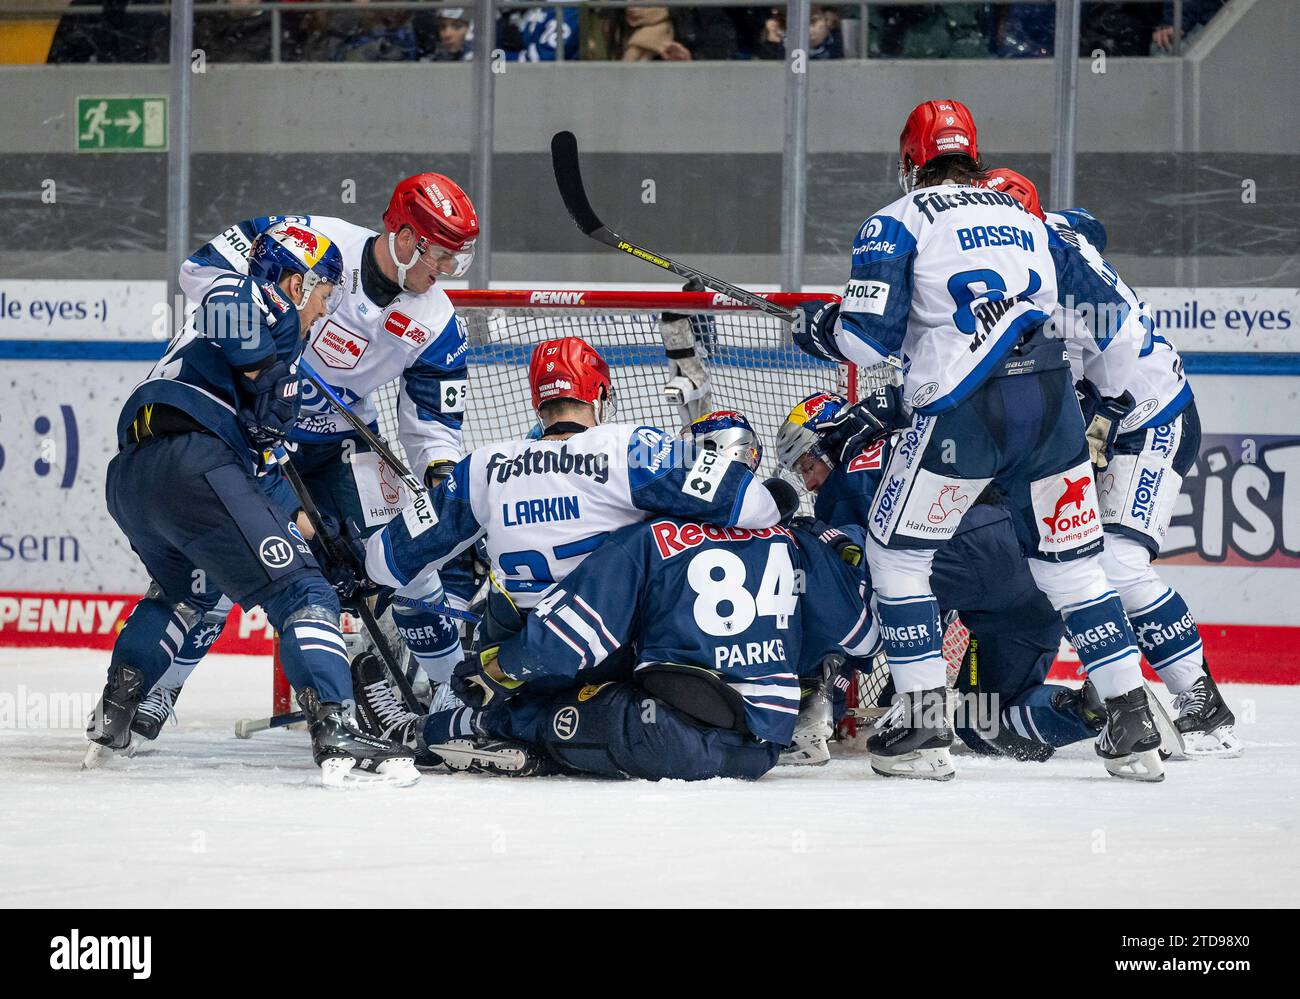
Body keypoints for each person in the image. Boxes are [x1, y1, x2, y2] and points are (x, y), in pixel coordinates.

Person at [793, 99, 1165, 782]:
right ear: (973, 152)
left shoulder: (897, 220)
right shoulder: (1030, 217)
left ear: (910, 161)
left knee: (898, 556)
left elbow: (860, 339)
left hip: (967, 410)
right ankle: (1132, 717)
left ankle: (923, 721)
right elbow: (1108, 312)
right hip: (1053, 405)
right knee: (1074, 569)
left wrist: (819, 328)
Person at [135, 175, 480, 735]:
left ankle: (454, 697)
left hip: (344, 442)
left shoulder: (437, 322)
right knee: (222, 560)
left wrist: (439, 471)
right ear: (401, 234)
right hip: (257, 430)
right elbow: (198, 272)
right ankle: (159, 688)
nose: (441, 269)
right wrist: (264, 353)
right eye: (435, 253)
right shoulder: (313, 239)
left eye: (452, 258)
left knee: (405, 557)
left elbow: (432, 426)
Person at [358, 412, 878, 780]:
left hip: (675, 735)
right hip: (769, 743)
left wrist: (493, 675)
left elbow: (568, 639)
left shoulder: (650, 540)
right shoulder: (798, 540)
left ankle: (434, 729)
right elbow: (861, 636)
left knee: (544, 711)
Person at [88, 223, 418, 787]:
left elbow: (260, 478)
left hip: (136, 477)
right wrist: (265, 368)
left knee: (186, 594)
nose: (325, 310)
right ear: (295, 282)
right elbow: (224, 299)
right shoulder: (262, 306)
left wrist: (313, 529)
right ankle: (335, 723)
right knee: (302, 592)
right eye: (324, 292)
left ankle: (119, 707)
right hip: (195, 460)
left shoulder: (233, 339)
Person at [349, 342, 790, 742]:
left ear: (539, 403)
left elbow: (384, 563)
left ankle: (454, 715)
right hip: (620, 658)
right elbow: (757, 505)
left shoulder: (484, 466)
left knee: (463, 596)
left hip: (516, 659)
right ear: (599, 395)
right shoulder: (628, 447)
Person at [979, 167, 1238, 756]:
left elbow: (1113, 339)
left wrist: (1102, 410)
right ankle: (1119, 690)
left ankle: (1200, 698)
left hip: (1151, 420)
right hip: (1123, 416)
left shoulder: (1043, 258)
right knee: (1077, 559)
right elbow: (1090, 224)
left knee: (1117, 563)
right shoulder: (1054, 231)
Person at [775, 391, 1142, 762]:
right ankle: (1094, 707)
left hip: (963, 551)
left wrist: (826, 698)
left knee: (852, 596)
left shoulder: (844, 484)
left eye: (808, 466)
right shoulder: (922, 431)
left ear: (832, 441)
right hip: (1035, 568)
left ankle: (838, 709)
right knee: (982, 722)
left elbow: (851, 598)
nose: (808, 484)